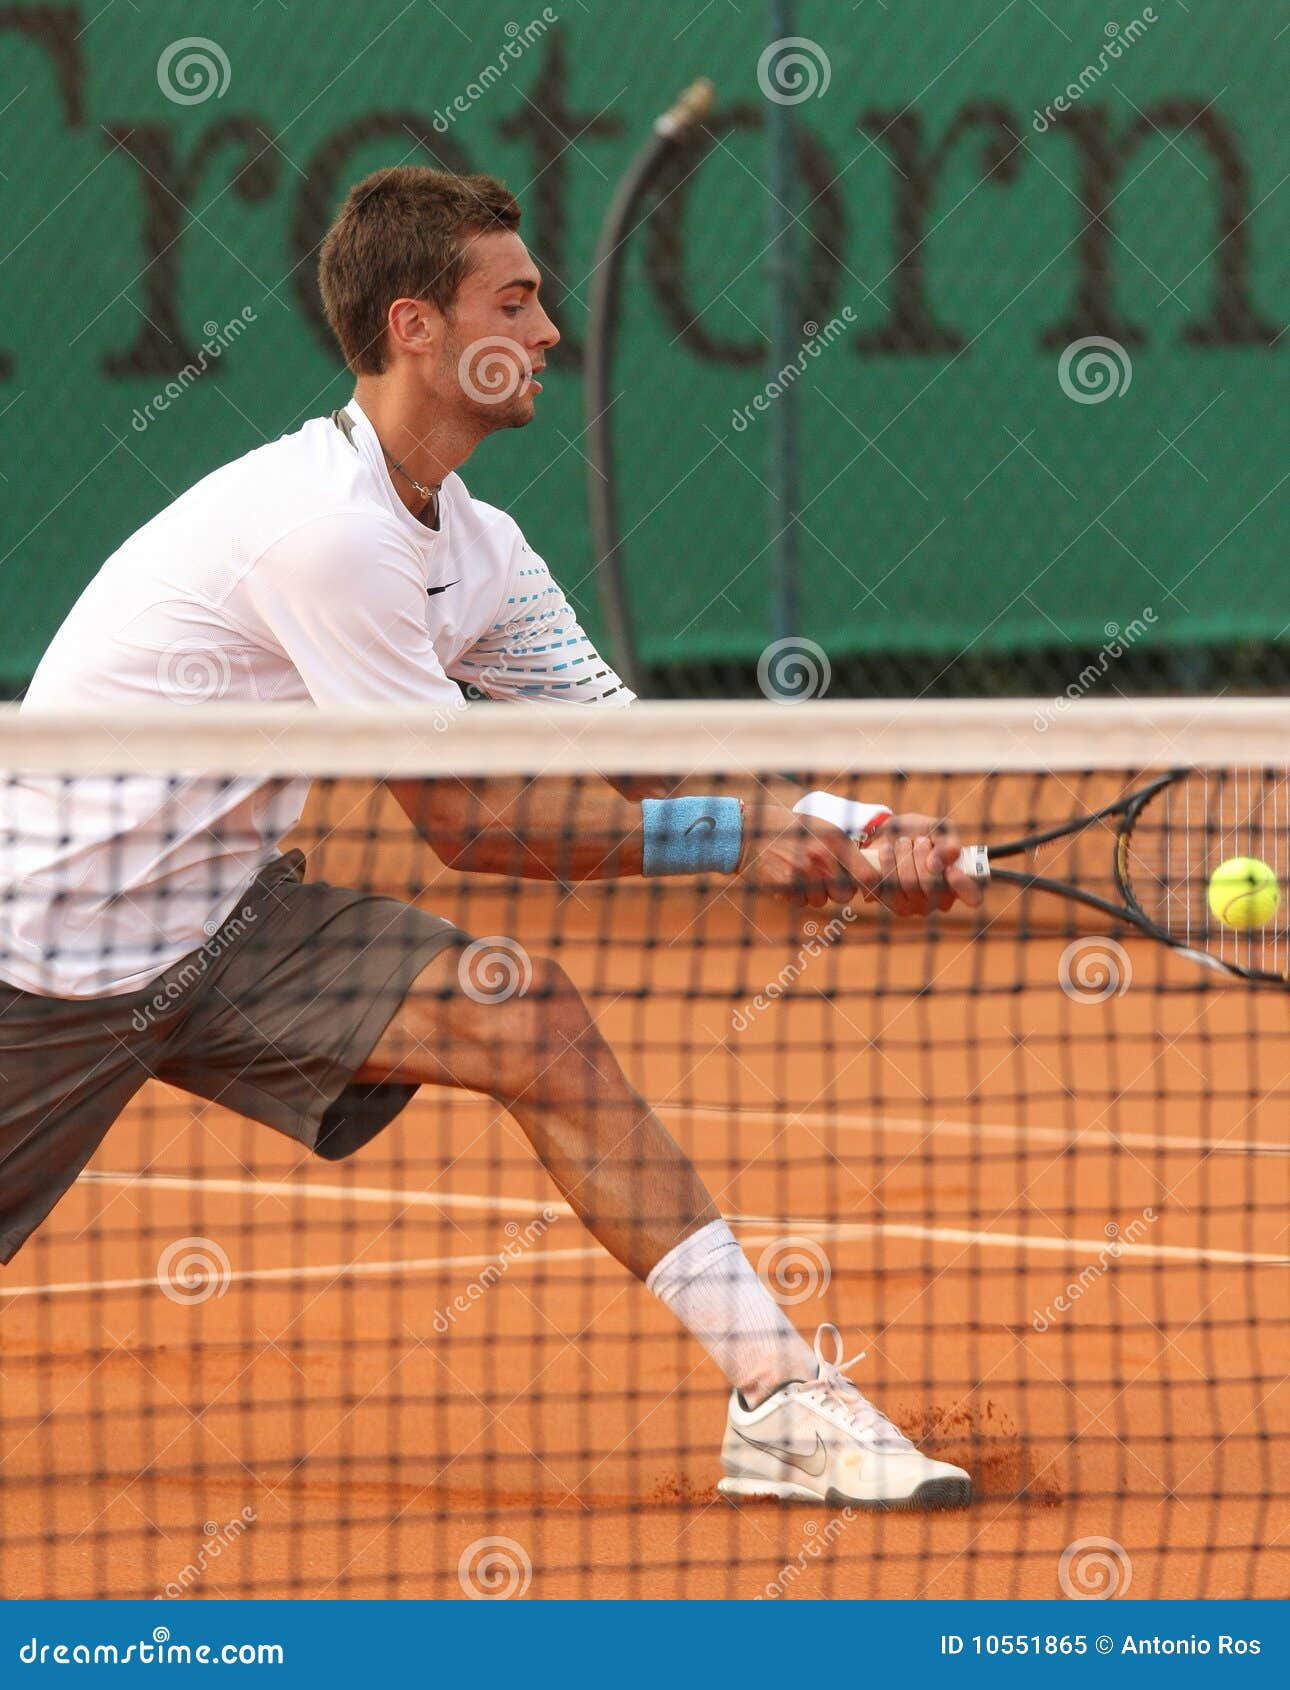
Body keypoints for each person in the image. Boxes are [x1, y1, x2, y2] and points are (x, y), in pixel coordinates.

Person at [0, 166, 982, 1509]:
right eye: (513, 303)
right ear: (416, 328)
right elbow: (465, 821)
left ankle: (779, 1402)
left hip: (224, 925)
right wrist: (732, 839)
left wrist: (844, 823)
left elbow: (623, 745)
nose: (549, 331)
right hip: (39, 951)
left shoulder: (481, 544)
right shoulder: (326, 534)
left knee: (531, 1019)